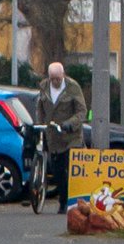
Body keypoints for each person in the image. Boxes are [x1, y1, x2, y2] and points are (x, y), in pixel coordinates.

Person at [35, 62, 87, 215]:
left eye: (58, 79)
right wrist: (41, 123)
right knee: (58, 172)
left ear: (63, 75)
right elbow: (40, 107)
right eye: (53, 79)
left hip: (71, 136)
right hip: (53, 136)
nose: (55, 82)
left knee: (70, 168)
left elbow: (81, 111)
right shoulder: (44, 86)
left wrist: (70, 124)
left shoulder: (73, 87)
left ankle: (69, 202)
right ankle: (63, 199)